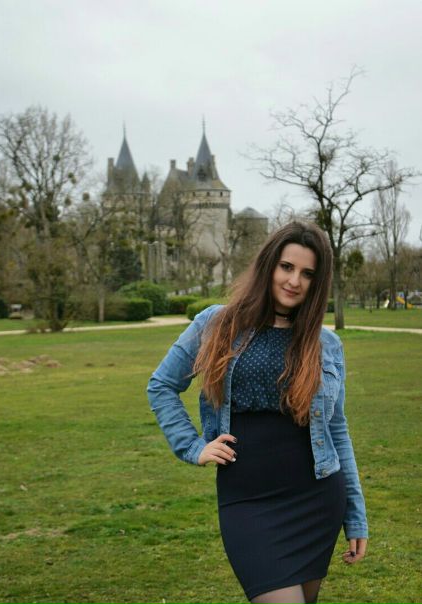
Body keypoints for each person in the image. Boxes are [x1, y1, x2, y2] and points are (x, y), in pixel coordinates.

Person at [147, 221, 368, 604]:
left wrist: (355, 514)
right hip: (247, 500)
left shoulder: (325, 344)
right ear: (269, 265)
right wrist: (193, 446)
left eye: (307, 274)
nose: (294, 281)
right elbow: (162, 385)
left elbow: (337, 430)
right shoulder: (216, 323)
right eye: (287, 267)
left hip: (316, 500)